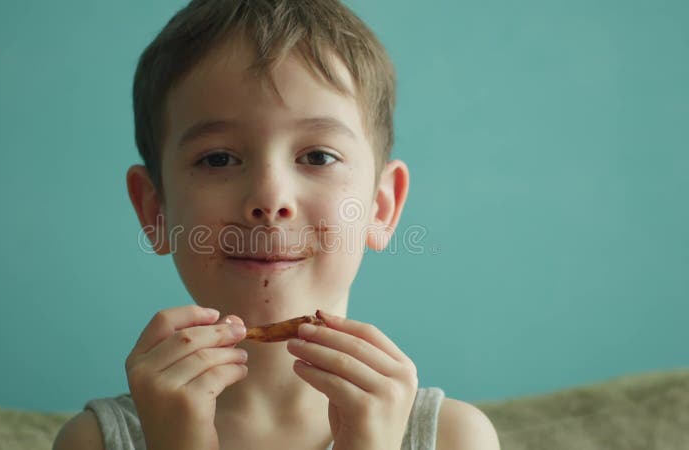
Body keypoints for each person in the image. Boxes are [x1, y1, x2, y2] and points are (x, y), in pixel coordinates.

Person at [54, 1, 500, 449]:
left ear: (380, 207)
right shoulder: (94, 441)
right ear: (155, 210)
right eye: (218, 158)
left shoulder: (455, 438)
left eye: (318, 157)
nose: (269, 200)